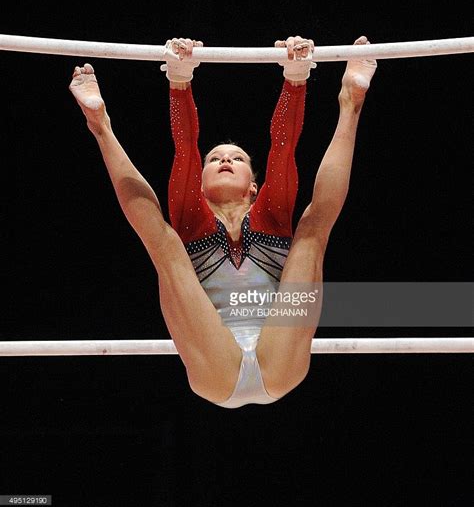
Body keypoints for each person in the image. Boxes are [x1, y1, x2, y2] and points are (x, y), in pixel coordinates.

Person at [69, 34, 377, 408]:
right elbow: (186, 149)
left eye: (237, 158)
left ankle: (351, 102)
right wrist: (179, 80)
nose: (225, 160)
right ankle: (101, 125)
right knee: (163, 243)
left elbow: (284, 149)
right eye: (215, 159)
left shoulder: (272, 214)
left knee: (312, 230)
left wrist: (296, 78)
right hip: (215, 368)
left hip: (280, 355)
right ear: (199, 183)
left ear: (253, 186)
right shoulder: (190, 217)